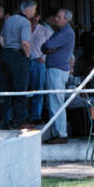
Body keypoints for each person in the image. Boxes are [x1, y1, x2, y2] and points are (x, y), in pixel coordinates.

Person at [0, 0, 35, 129]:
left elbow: (0, 39)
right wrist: (28, 56)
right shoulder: (25, 22)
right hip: (18, 55)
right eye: (34, 10)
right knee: (20, 88)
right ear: (28, 10)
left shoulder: (9, 20)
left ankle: (3, 120)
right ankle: (20, 120)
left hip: (6, 55)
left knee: (6, 89)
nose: (34, 13)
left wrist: (7, 48)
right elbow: (25, 43)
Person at [39, 8, 75, 143]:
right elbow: (45, 47)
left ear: (66, 19)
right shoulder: (60, 32)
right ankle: (57, 132)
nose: (56, 19)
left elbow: (47, 45)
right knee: (53, 102)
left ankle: (61, 133)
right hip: (56, 68)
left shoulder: (65, 32)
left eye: (59, 17)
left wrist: (48, 48)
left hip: (57, 70)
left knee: (56, 102)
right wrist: (47, 48)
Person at [26, 6, 53, 125]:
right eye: (32, 15)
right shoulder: (23, 28)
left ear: (39, 17)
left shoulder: (45, 31)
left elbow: (52, 47)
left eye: (36, 16)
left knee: (38, 89)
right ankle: (22, 116)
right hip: (24, 62)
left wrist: (43, 58)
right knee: (23, 89)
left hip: (38, 63)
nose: (34, 18)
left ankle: (35, 115)